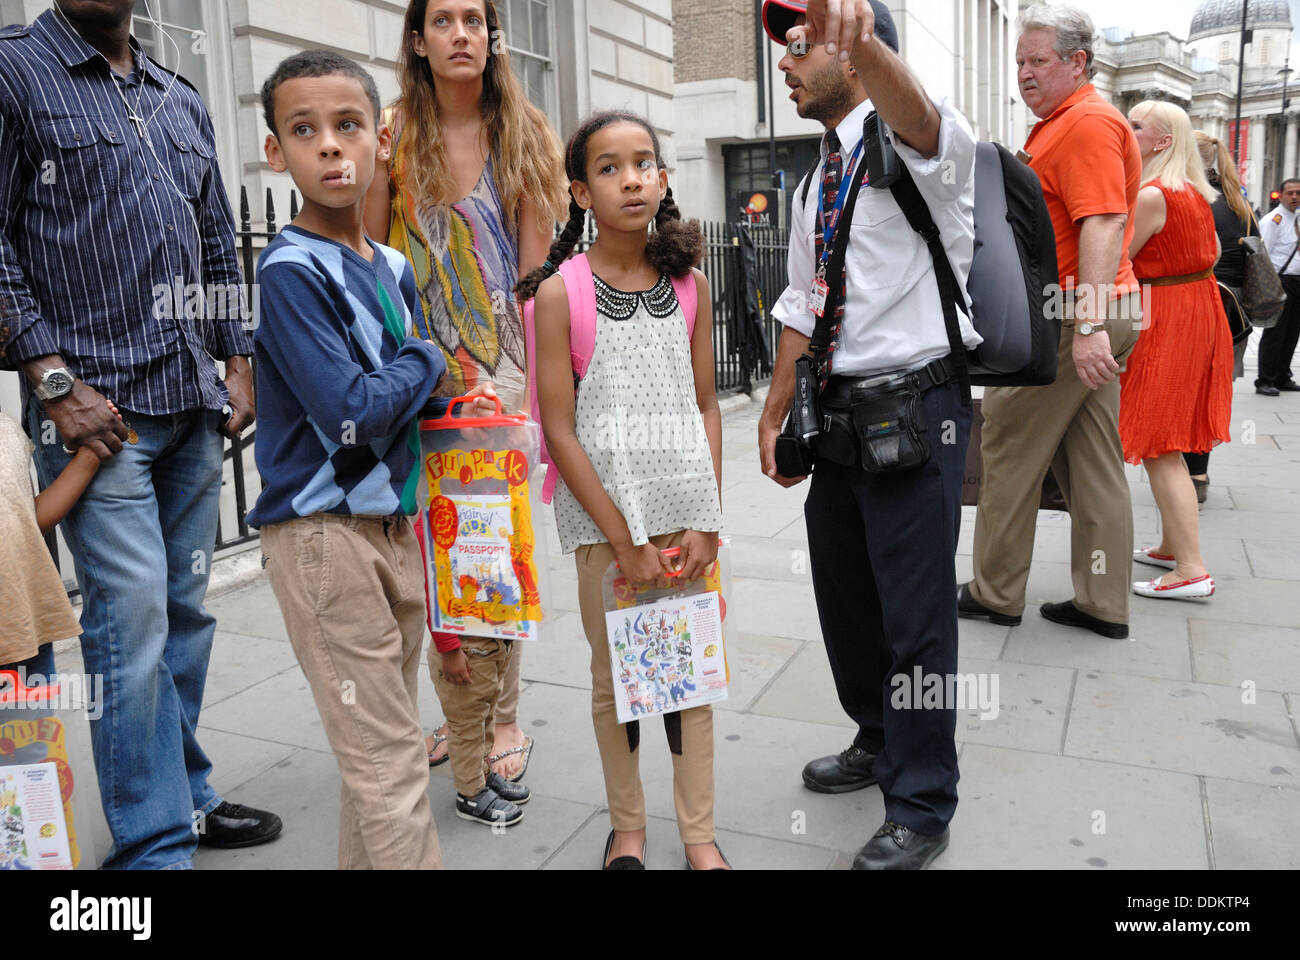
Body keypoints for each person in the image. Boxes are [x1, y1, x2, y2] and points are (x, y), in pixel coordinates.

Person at [0, 0, 281, 868]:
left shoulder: (178, 95)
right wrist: (53, 382)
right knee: (132, 624)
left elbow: (209, 239)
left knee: (184, 614)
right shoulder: (14, 71)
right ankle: (154, 846)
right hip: (97, 420)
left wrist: (237, 357)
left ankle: (185, 796)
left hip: (188, 401)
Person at [249, 51, 499, 868]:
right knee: (391, 765)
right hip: (325, 540)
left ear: (381, 140)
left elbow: (407, 394)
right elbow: (353, 414)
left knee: (376, 770)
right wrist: (427, 358)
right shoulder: (288, 271)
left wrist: (454, 396)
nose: (329, 147)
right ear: (272, 151)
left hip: (396, 530)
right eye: (304, 130)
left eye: (347, 126)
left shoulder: (388, 265)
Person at [757, 0, 981, 870]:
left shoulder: (926, 148)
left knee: (916, 617)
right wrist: (777, 412)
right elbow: (802, 305)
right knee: (846, 598)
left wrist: (857, 34)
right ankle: (879, 735)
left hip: (919, 411)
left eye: (801, 46)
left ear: (854, 53)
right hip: (841, 418)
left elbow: (917, 113)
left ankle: (922, 802)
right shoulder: (819, 178)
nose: (785, 63)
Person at [363, 0, 566, 778]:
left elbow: (533, 277)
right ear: (417, 40)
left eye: (474, 20)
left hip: (504, 369)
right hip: (418, 365)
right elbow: (378, 259)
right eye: (442, 20)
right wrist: (412, 365)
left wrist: (521, 393)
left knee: (498, 546)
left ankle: (504, 717)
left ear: (490, 37)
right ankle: (458, 710)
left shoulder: (526, 132)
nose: (460, 34)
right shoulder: (391, 134)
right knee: (431, 545)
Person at [521, 112, 728, 870]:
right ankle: (629, 828)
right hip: (604, 528)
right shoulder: (559, 294)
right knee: (617, 683)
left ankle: (699, 836)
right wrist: (621, 539)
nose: (631, 178)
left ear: (663, 179)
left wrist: (707, 517)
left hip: (686, 522)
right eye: (609, 168)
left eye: (644, 163)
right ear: (580, 190)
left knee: (688, 678)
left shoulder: (691, 286)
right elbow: (560, 427)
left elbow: (706, 404)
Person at [959, 3, 1143, 641]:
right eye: (1019, 62)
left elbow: (1104, 221)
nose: (1024, 75)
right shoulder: (1073, 120)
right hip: (1101, 307)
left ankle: (995, 591)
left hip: (1072, 315)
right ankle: (1102, 602)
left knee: (1007, 442)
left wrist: (1087, 326)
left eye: (1038, 62)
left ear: (1077, 63)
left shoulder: (1085, 123)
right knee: (1092, 459)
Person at [1122, 101, 1232, 600]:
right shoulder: (1189, 189)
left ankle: (1190, 568)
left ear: (1162, 141)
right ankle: (1172, 546)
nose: (1127, 129)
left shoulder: (1152, 193)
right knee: (1169, 439)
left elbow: (1116, 255)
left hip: (1169, 316)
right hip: (1194, 310)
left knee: (1163, 446)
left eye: (1137, 125)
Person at [0, 400, 120, 678]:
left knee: (27, 721)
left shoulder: (5, 429)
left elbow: (25, 522)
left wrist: (91, 453)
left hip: (23, 629)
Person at [1186, 130, 1255, 502]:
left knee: (1187, 391)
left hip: (1201, 299)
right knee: (1214, 391)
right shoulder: (1239, 203)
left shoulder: (1193, 198)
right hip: (1237, 309)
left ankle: (1185, 470)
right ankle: (1199, 472)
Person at [1254, 178, 1300, 396]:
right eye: (1290, 193)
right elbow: (1263, 254)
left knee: (1292, 332)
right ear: (1280, 195)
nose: (1294, 197)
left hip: (1297, 282)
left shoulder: (1297, 218)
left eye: (1298, 193)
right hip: (1280, 281)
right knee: (1275, 331)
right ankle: (1265, 379)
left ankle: (1282, 376)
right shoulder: (1273, 220)